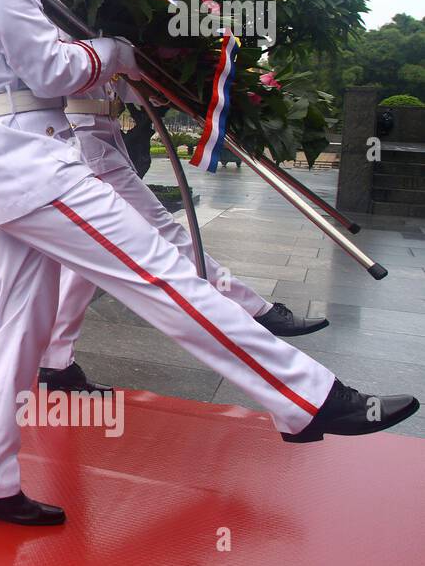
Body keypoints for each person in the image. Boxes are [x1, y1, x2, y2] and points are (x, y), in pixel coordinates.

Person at [0, 0, 419, 526]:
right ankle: (306, 397)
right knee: (164, 277)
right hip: (34, 167)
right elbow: (54, 69)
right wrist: (115, 51)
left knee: (17, 330)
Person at [38, 80, 330, 394]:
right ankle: (254, 309)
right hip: (85, 149)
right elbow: (64, 70)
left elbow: (121, 87)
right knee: (166, 231)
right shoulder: (69, 31)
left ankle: (55, 364)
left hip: (102, 142)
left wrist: (170, 83)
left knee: (86, 263)